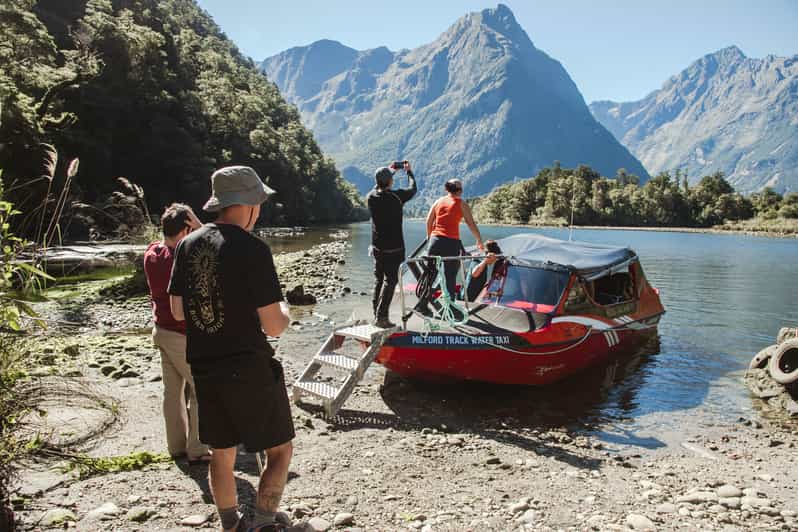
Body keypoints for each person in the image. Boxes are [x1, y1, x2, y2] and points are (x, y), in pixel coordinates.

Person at [168, 166, 300, 532]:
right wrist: (287, 309)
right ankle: (264, 522)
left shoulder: (188, 244)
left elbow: (178, 310)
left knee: (221, 454)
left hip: (204, 366)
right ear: (251, 203)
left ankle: (231, 525)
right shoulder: (252, 248)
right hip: (248, 366)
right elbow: (274, 326)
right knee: (279, 449)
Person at [144, 203, 209, 464]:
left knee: (172, 392)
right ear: (185, 229)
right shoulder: (180, 258)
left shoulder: (152, 252)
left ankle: (176, 447)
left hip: (160, 329)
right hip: (182, 334)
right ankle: (198, 449)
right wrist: (199, 224)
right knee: (202, 388)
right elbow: (215, 245)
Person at [416, 179, 484, 314]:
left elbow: (429, 221)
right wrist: (479, 240)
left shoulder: (438, 201)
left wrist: (431, 238)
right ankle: (450, 309)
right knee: (450, 276)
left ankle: (422, 305)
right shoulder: (461, 204)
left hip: (435, 241)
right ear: (460, 190)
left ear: (447, 189)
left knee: (430, 274)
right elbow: (471, 224)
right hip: (451, 243)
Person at [366, 161, 417, 328]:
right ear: (390, 182)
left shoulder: (371, 197)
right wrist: (409, 172)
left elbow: (378, 186)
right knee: (391, 280)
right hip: (394, 249)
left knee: (379, 280)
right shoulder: (397, 197)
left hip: (377, 248)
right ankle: (381, 317)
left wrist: (391, 171)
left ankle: (377, 314)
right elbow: (413, 188)